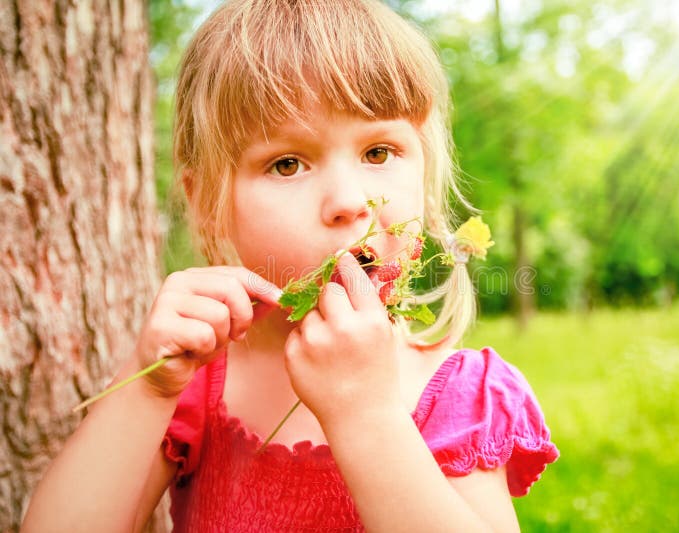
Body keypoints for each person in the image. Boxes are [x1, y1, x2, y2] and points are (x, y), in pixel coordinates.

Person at [22, 1, 558, 531]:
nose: (349, 201)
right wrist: (147, 389)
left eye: (378, 153)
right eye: (286, 164)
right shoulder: (198, 380)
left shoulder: (459, 396)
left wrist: (365, 415)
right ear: (211, 202)